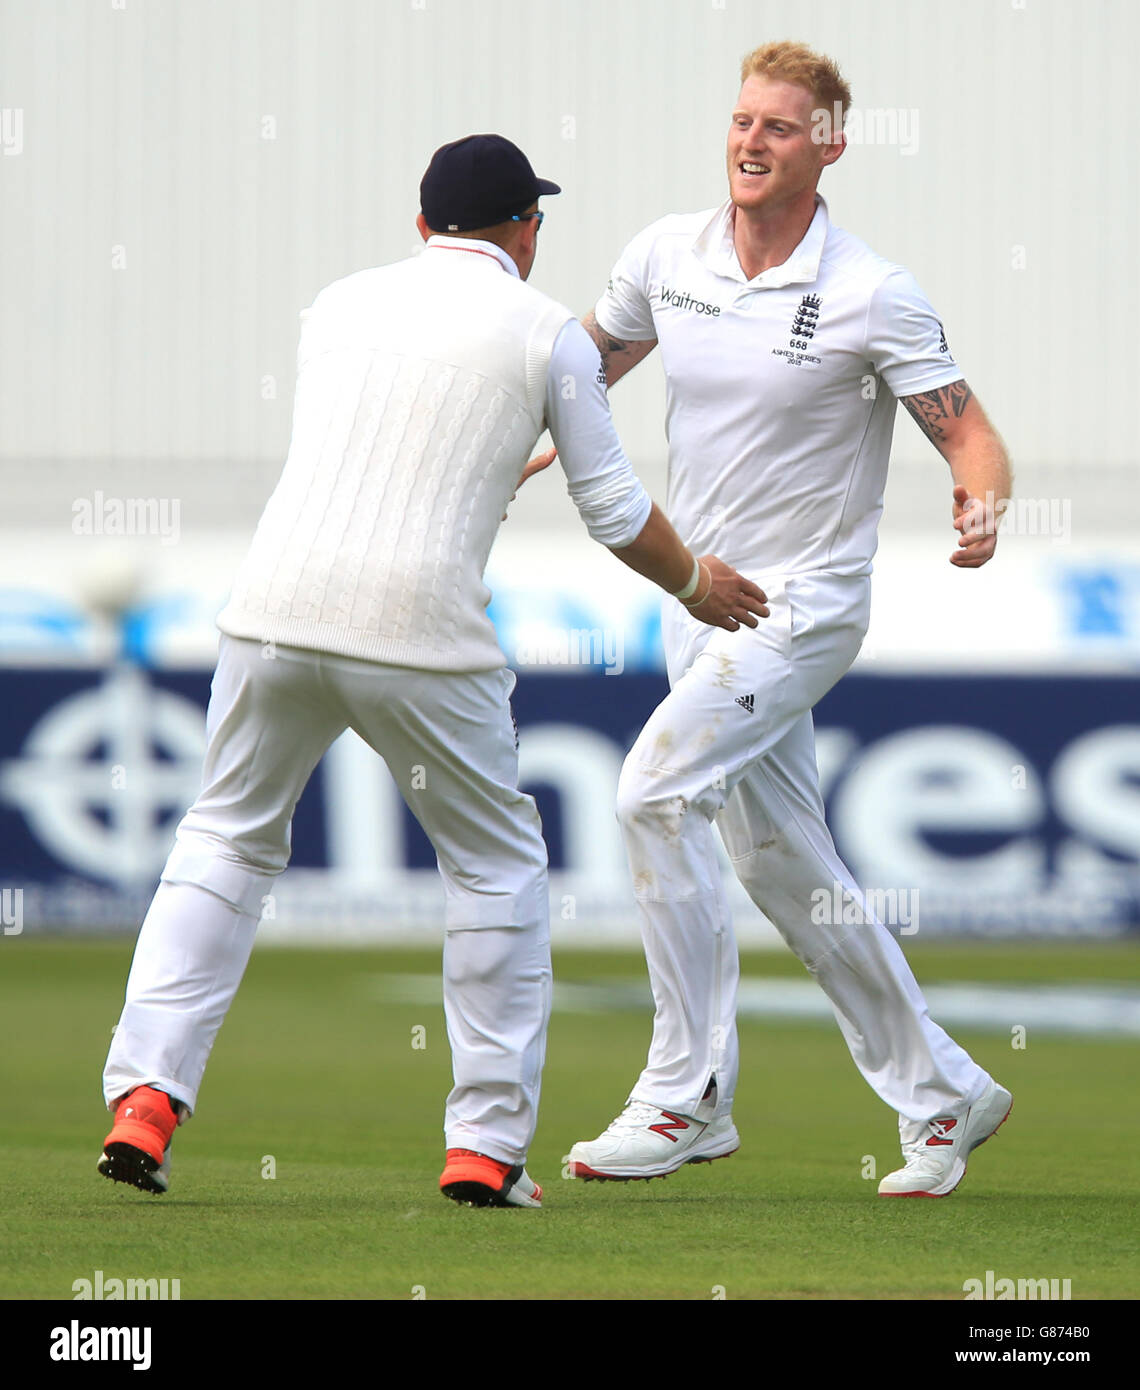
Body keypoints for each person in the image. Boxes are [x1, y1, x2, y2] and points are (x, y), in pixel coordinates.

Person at [95, 134, 767, 1210]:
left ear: (423, 227)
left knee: (224, 837)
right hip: (420, 629)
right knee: (495, 868)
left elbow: (382, 441)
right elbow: (615, 514)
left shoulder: (338, 304)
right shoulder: (551, 335)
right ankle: (483, 1148)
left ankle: (146, 1094)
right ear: (526, 230)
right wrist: (698, 586)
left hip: (272, 610)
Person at [564, 42, 1015, 1196]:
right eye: (741, 121)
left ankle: (685, 1098)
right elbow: (582, 364)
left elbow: (965, 427)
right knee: (781, 863)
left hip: (803, 604)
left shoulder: (870, 288)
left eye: (778, 126)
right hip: (697, 601)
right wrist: (507, 440)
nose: (751, 142)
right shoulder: (668, 252)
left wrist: (982, 498)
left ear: (828, 144)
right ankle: (947, 1091)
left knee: (652, 792)